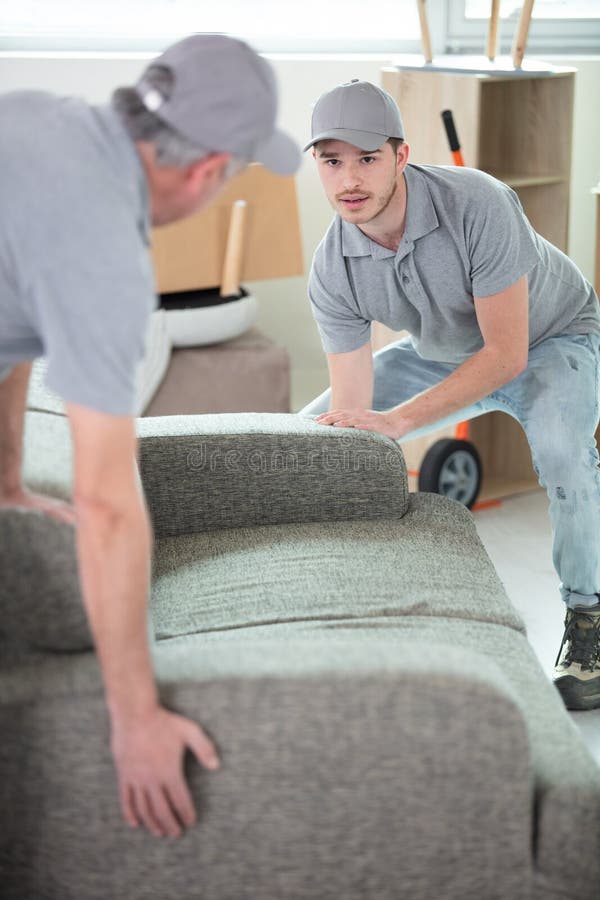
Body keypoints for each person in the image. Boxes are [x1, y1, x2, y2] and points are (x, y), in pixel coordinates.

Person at [0, 34, 299, 838]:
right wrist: (135, 717)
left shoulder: (38, 119)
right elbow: (106, 502)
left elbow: (15, 327)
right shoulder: (106, 256)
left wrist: (7, 485)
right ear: (208, 172)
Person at [301, 79, 600, 709]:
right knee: (316, 435)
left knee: (564, 456)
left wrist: (400, 420)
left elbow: (506, 353)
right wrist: (366, 432)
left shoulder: (480, 203)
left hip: (552, 339)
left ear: (401, 155)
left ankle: (589, 617)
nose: (349, 179)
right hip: (444, 353)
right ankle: (341, 602)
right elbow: (356, 414)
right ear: (317, 165)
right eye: (332, 161)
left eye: (367, 158)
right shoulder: (333, 269)